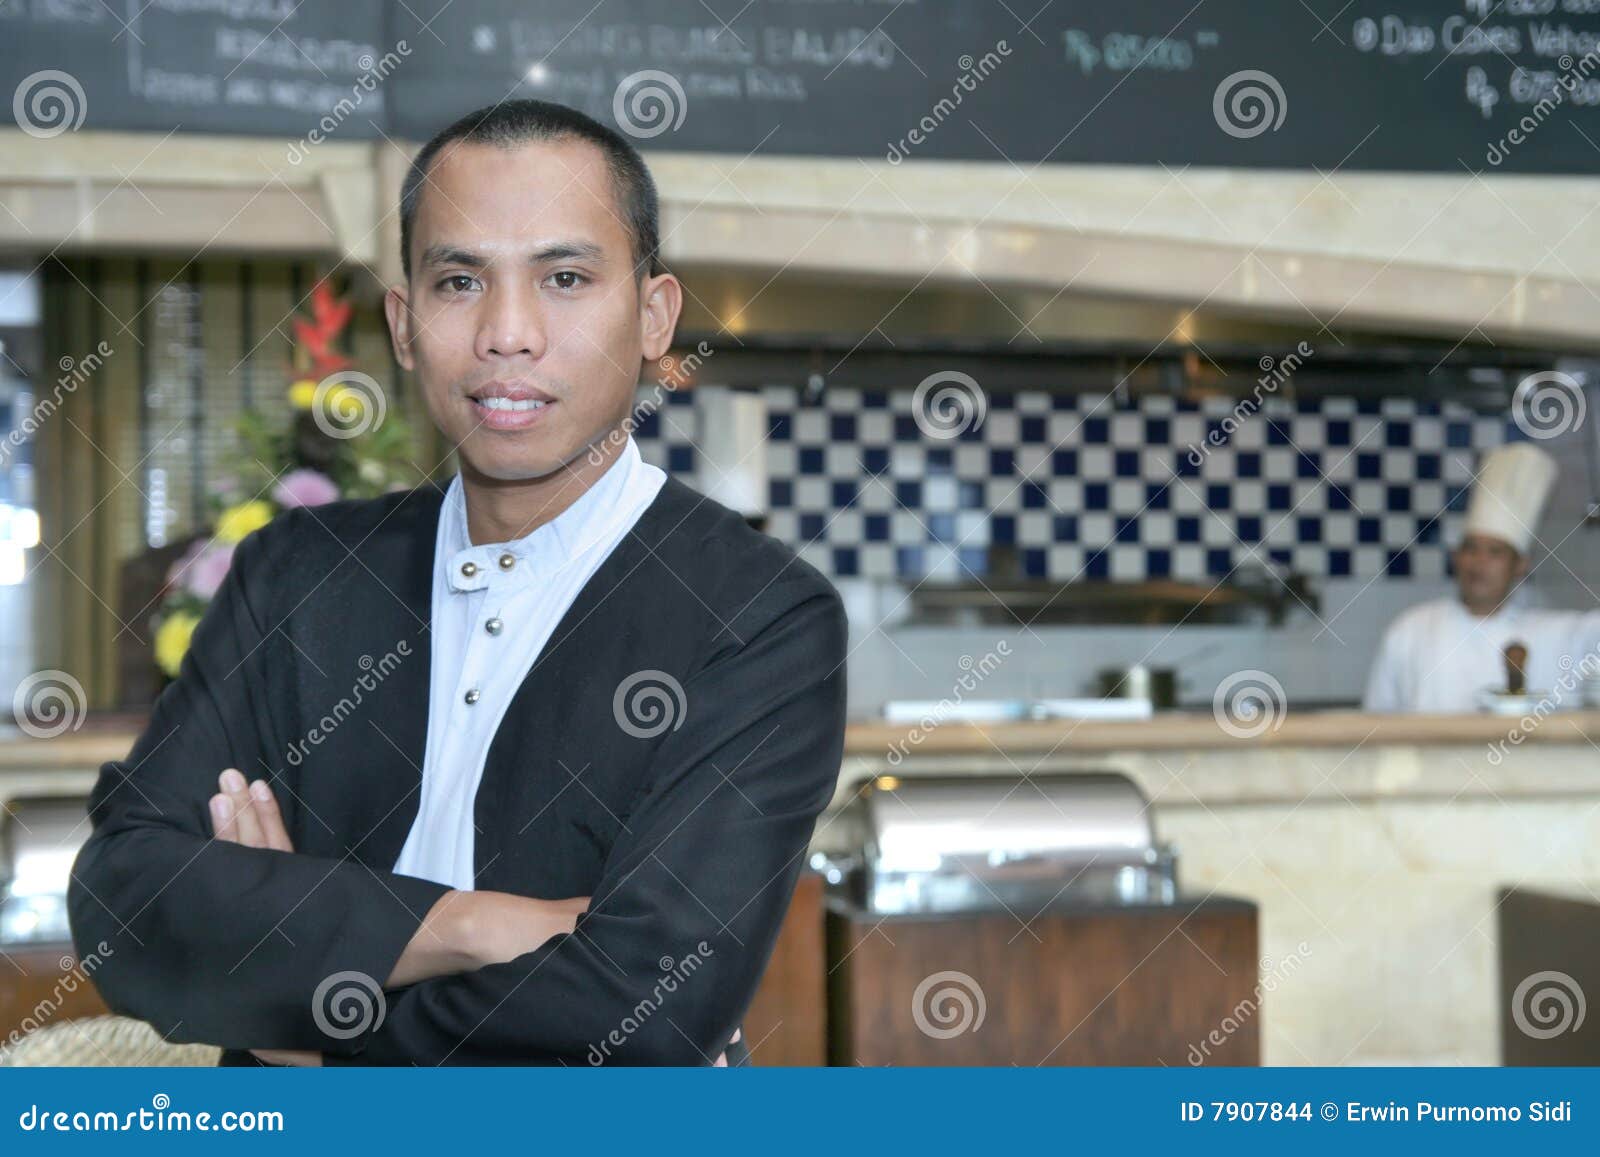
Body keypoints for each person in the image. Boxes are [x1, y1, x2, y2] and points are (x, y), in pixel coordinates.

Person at [67, 99, 848, 1066]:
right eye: (460, 280)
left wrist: (295, 1004)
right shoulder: (297, 575)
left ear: (654, 317)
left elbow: (646, 1010)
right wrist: (470, 925)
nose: (507, 332)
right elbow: (123, 898)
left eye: (565, 278)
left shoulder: (760, 615)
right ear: (403, 325)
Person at [1363, 441, 1598, 713]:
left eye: (1495, 552)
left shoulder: (1558, 636)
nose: (1479, 562)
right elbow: (1375, 722)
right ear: (1456, 557)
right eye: (1470, 548)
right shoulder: (1410, 631)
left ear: (1520, 565)